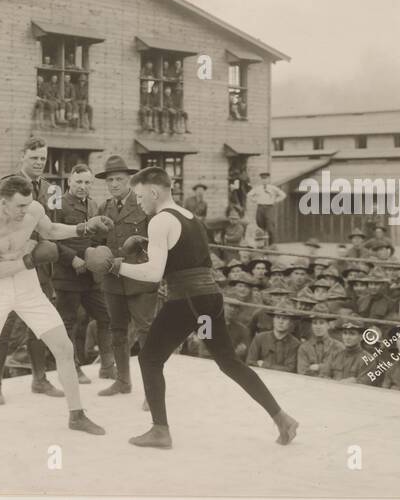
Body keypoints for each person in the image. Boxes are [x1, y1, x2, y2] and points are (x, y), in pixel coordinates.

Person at [84, 166, 298, 448]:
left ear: (154, 191)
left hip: (186, 302)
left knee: (149, 359)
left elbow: (153, 273)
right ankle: (282, 417)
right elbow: (186, 255)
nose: (138, 202)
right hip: (209, 301)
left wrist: (116, 266)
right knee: (228, 361)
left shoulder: (160, 220)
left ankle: (160, 430)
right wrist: (147, 246)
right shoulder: (190, 216)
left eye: (139, 195)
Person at [0, 174, 113, 436]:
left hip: (27, 286)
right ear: (3, 203)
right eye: (20, 206)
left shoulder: (33, 209)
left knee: (64, 347)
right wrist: (30, 260)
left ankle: (77, 415)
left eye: (28, 204)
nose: (26, 211)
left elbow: (52, 231)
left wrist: (84, 228)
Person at [0, 138, 64, 402]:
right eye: (34, 158)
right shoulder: (7, 185)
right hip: (13, 265)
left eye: (43, 158)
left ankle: (39, 379)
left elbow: (54, 227)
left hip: (41, 268)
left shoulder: (53, 189)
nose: (39, 163)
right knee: (4, 325)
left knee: (39, 326)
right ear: (22, 157)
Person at [93, 154, 157, 395]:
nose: (114, 184)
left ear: (129, 180)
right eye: (110, 180)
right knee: (117, 331)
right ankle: (123, 380)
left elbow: (157, 241)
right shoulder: (104, 208)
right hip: (113, 281)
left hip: (139, 280)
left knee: (145, 333)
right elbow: (97, 242)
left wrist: (132, 253)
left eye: (119, 179)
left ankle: (152, 390)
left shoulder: (144, 205)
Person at [52, 164, 114, 384]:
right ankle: (71, 369)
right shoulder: (57, 203)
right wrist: (72, 258)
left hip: (90, 275)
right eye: (78, 182)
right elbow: (50, 238)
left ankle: (107, 366)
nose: (83, 186)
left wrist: (100, 251)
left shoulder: (93, 205)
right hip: (67, 274)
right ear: (69, 181)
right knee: (68, 322)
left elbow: (94, 238)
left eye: (87, 182)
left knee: (106, 316)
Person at [246, 172, 286, 245]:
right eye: (262, 179)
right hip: (260, 207)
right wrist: (254, 200)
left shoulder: (273, 188)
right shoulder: (258, 188)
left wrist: (275, 200)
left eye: (266, 179)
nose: (264, 181)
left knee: (270, 227)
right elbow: (249, 195)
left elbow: (283, 195)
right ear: (261, 180)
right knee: (260, 225)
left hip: (269, 208)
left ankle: (271, 244)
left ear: (268, 179)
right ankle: (262, 244)